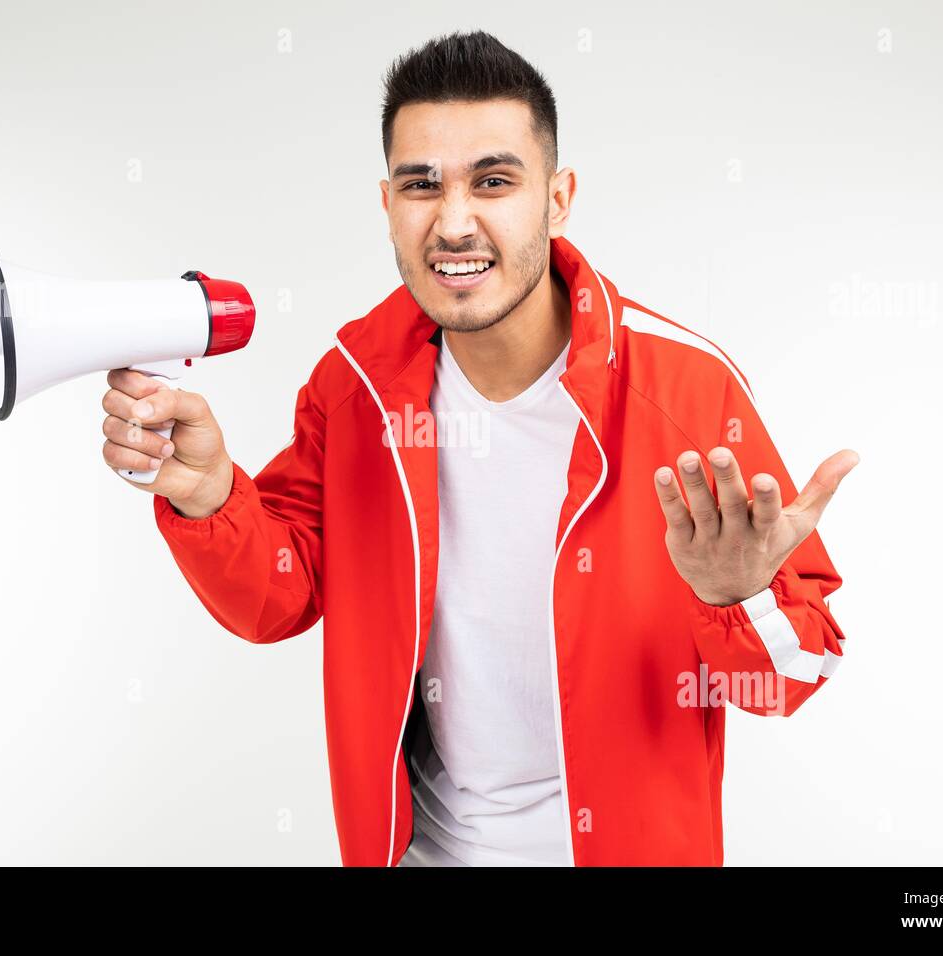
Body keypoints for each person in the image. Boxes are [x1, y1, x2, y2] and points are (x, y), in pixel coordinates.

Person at [97, 30, 857, 867]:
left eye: (493, 181)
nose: (454, 222)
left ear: (558, 199)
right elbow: (279, 597)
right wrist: (209, 494)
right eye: (423, 185)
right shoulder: (353, 387)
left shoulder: (686, 392)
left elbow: (797, 672)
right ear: (387, 202)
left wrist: (735, 596)